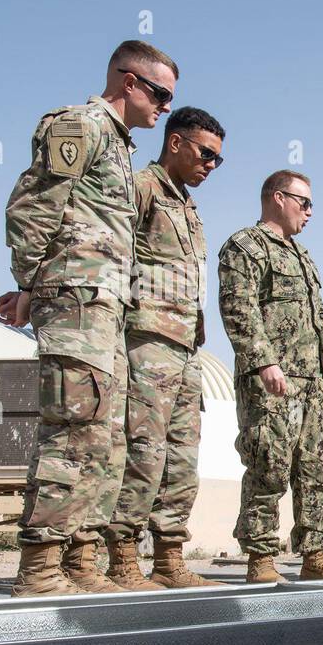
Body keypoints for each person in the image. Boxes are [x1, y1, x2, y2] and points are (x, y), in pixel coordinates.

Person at [0, 40, 179, 597]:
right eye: (161, 94)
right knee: (73, 431)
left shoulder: (119, 148)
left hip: (104, 307)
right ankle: (41, 568)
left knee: (104, 439)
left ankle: (82, 561)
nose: (165, 107)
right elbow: (32, 205)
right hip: (75, 302)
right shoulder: (79, 125)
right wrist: (31, 283)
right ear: (129, 82)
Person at [98, 106, 227, 590]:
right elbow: (110, 253)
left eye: (219, 159)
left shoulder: (187, 207)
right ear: (175, 143)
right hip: (146, 341)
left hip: (185, 347)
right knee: (143, 452)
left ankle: (170, 557)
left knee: (181, 456)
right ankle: (123, 558)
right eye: (206, 153)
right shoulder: (141, 188)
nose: (211, 165)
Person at [217, 170, 323, 584]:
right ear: (278, 198)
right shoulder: (245, 246)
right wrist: (264, 362)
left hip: (312, 381)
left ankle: (315, 555)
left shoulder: (302, 254)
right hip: (272, 380)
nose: (310, 212)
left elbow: (317, 313)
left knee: (316, 470)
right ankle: (260, 559)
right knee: (268, 466)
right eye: (304, 202)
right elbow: (238, 309)